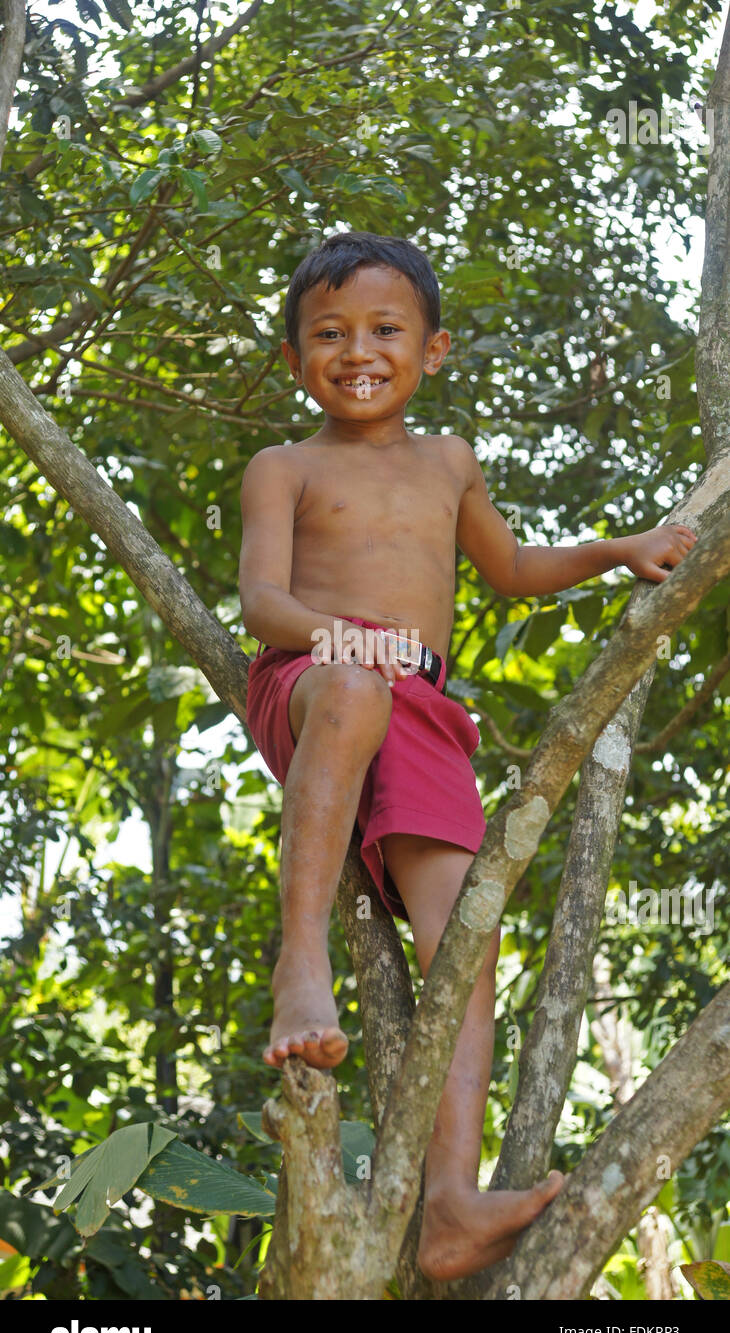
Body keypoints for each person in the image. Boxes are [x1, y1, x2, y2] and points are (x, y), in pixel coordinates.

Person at [238, 231, 697, 1279]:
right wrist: (337, 638)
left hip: (425, 716)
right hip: (315, 684)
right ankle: (300, 963)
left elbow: (515, 570)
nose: (358, 350)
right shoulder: (284, 465)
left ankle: (448, 1198)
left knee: (468, 935)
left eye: (385, 330)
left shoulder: (447, 463)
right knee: (355, 688)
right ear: (292, 356)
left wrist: (618, 549)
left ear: (433, 350)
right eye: (328, 334)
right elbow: (261, 600)